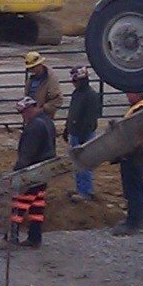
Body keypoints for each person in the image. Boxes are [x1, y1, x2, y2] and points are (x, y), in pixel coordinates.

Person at [8, 95, 56, 248]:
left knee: (21, 202)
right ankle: (35, 237)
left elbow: (27, 153)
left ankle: (11, 236)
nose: (24, 117)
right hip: (45, 169)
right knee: (37, 204)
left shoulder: (34, 127)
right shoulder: (47, 122)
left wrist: (17, 172)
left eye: (24, 113)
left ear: (31, 109)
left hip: (33, 170)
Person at [111, 92, 143, 235]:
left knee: (133, 188)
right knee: (134, 187)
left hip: (134, 154)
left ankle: (134, 222)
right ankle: (133, 218)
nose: (127, 96)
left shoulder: (141, 109)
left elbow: (133, 132)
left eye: (130, 93)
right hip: (134, 153)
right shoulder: (140, 107)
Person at [64, 65, 102, 202]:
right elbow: (72, 112)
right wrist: (67, 128)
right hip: (76, 132)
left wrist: (82, 136)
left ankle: (85, 191)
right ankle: (80, 188)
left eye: (75, 81)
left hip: (84, 134)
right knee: (77, 163)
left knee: (84, 162)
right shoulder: (78, 94)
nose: (73, 83)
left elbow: (90, 120)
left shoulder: (90, 96)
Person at [23, 50, 62, 120]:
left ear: (39, 65)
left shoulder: (51, 79)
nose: (31, 70)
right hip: (31, 116)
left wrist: (41, 110)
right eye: (29, 69)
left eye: (32, 67)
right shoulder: (31, 78)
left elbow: (58, 100)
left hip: (44, 118)